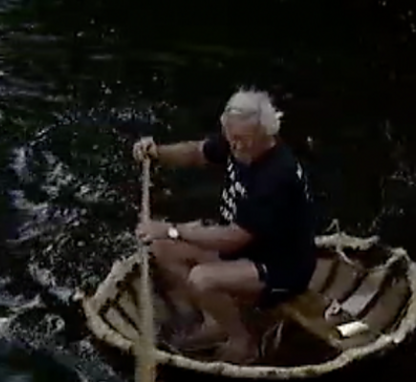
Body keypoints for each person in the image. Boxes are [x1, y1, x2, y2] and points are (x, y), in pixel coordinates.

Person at [132, 88, 317, 365]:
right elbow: (197, 152)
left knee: (201, 278)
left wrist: (172, 229)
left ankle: (243, 341)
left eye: (243, 140)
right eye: (231, 138)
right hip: (246, 251)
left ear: (266, 133)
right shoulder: (238, 141)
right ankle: (216, 321)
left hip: (280, 268)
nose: (236, 146)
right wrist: (157, 152)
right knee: (162, 248)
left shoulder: (277, 176)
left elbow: (234, 238)